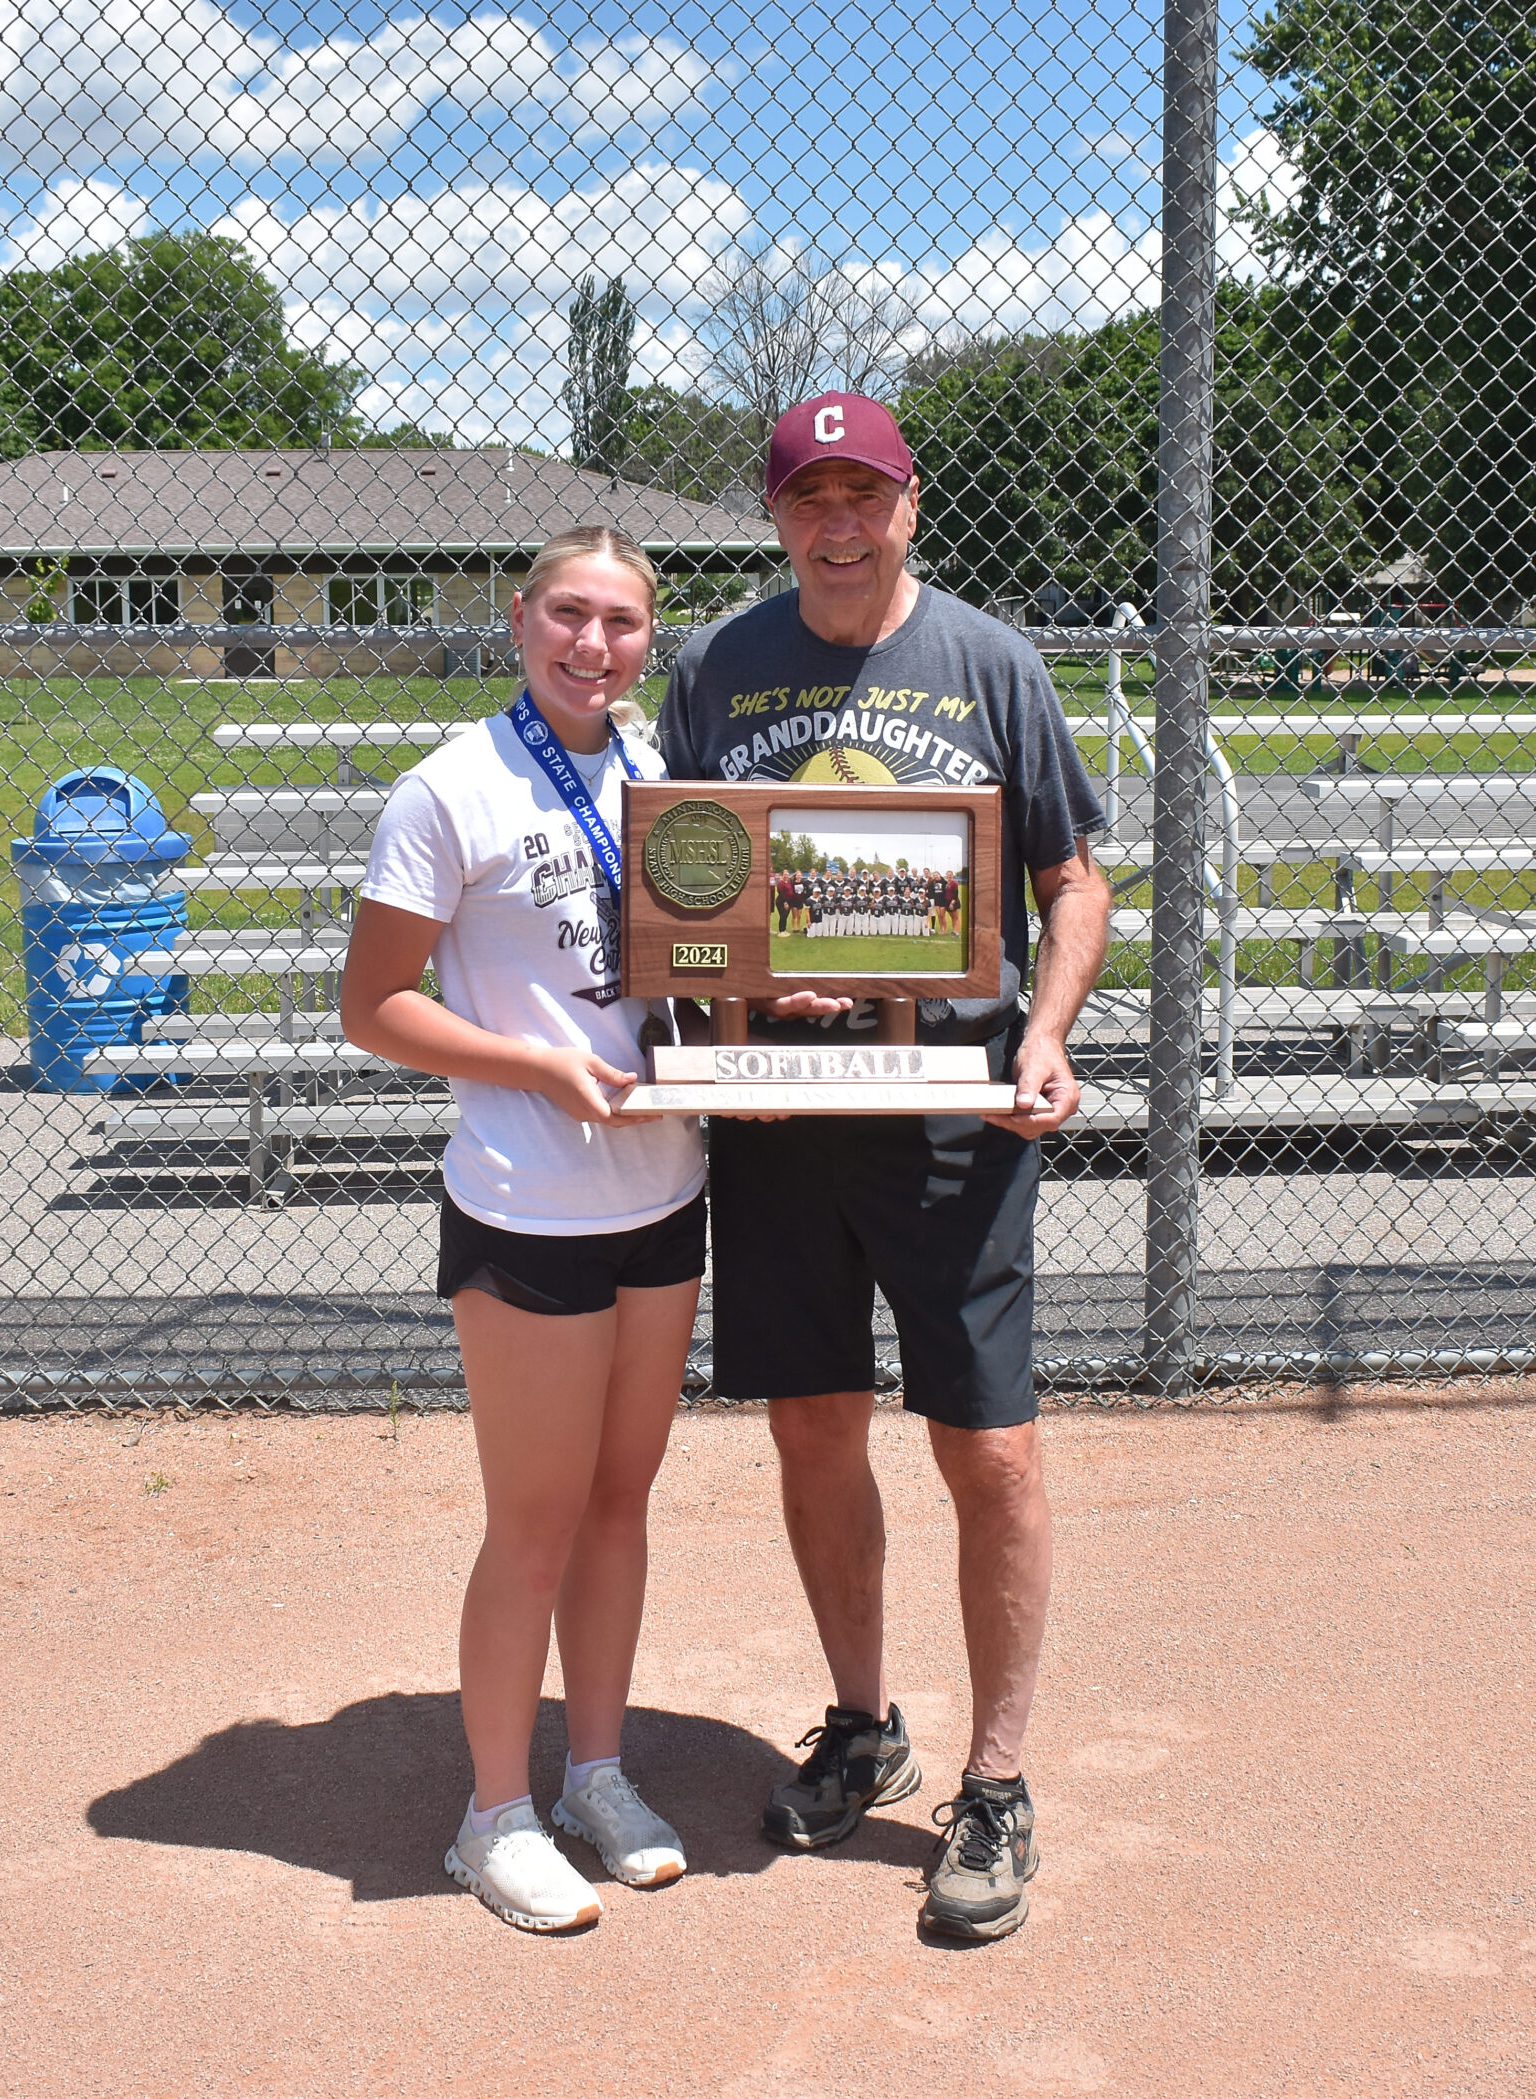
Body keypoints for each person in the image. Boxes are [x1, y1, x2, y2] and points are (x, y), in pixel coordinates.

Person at [660, 391, 1112, 1942]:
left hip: (951, 1114)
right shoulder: (717, 664)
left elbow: (1072, 877)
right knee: (809, 1427)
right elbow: (680, 885)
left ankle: (995, 1783)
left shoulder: (991, 661)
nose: (839, 526)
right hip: (782, 1118)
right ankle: (864, 1725)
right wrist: (725, 1017)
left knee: (988, 1448)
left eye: (866, 496)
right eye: (810, 501)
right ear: (778, 518)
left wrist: (1045, 1032)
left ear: (912, 505)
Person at [343, 525, 700, 1935]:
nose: (591, 644)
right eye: (568, 614)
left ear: (645, 640)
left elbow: (707, 960)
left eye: (619, 622)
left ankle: (595, 1774)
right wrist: (538, 1066)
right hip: (527, 1199)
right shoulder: (449, 790)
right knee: (537, 1522)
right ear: (519, 618)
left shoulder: (666, 774)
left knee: (622, 1506)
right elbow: (374, 1008)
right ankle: (493, 1812)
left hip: (665, 1191)